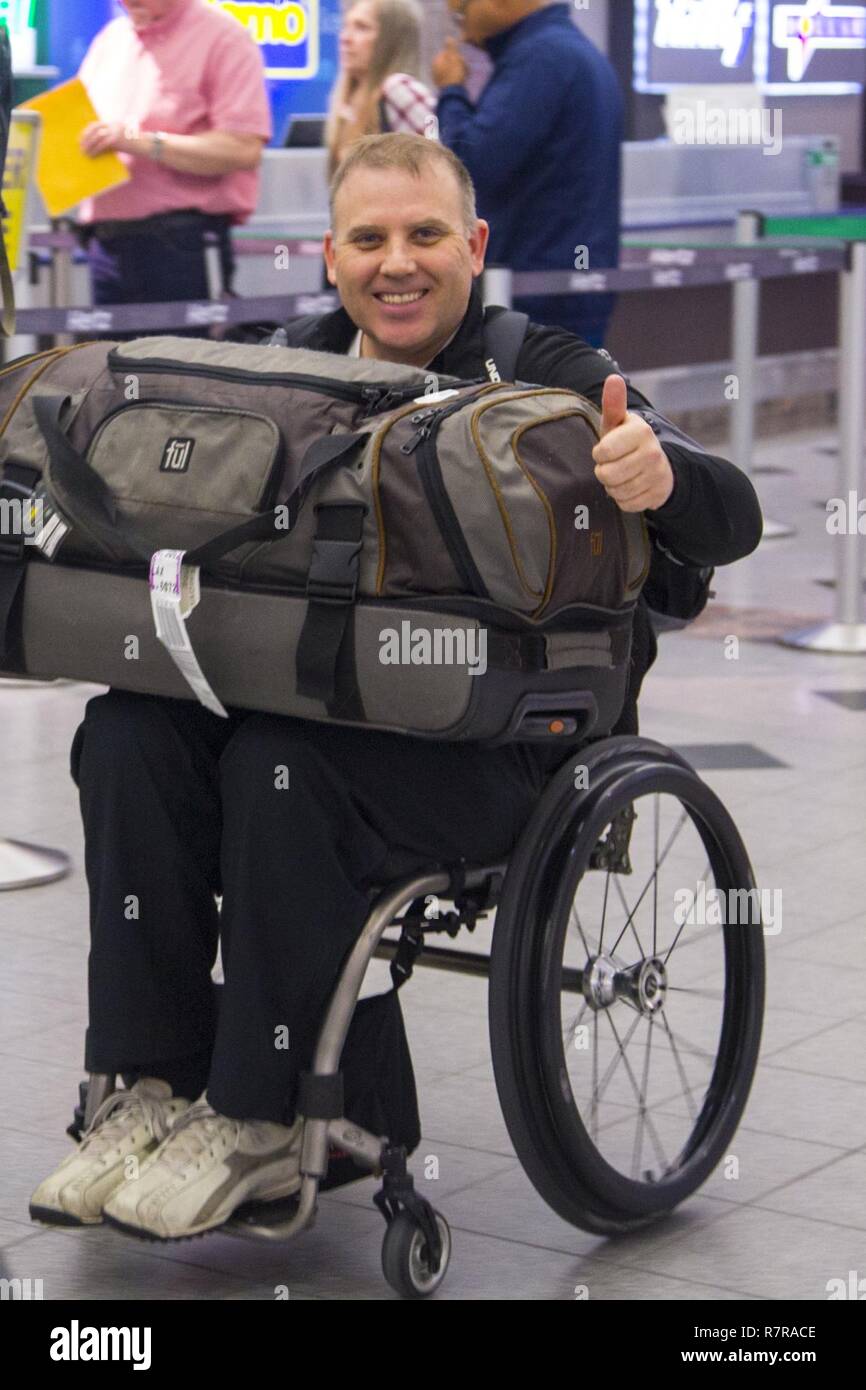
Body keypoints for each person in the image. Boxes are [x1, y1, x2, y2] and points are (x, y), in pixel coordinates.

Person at [29, 133, 762, 1243]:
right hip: (318, 705)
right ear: (328, 255)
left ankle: (263, 1114)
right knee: (127, 733)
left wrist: (658, 475)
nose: (397, 262)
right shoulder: (292, 364)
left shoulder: (545, 367)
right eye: (368, 239)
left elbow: (730, 519)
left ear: (472, 244)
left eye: (425, 234)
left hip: (508, 740)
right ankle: (144, 1083)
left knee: (281, 771)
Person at [432, 0, 622, 347]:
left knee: (521, 402)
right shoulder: (573, 51)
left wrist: (452, 90)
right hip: (569, 293)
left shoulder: (541, 59)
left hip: (535, 301)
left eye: (462, 13)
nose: (462, 31)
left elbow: (470, 168)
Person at [75, 0, 272, 315]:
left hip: (180, 245)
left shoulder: (223, 37)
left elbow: (243, 148)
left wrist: (141, 143)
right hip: (106, 244)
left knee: (180, 362)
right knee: (110, 362)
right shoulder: (111, 40)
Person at [326, 0, 436, 178]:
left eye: (362, 27)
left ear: (391, 38)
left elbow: (440, 171)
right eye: (346, 26)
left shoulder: (400, 90)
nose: (345, 38)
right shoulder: (348, 100)